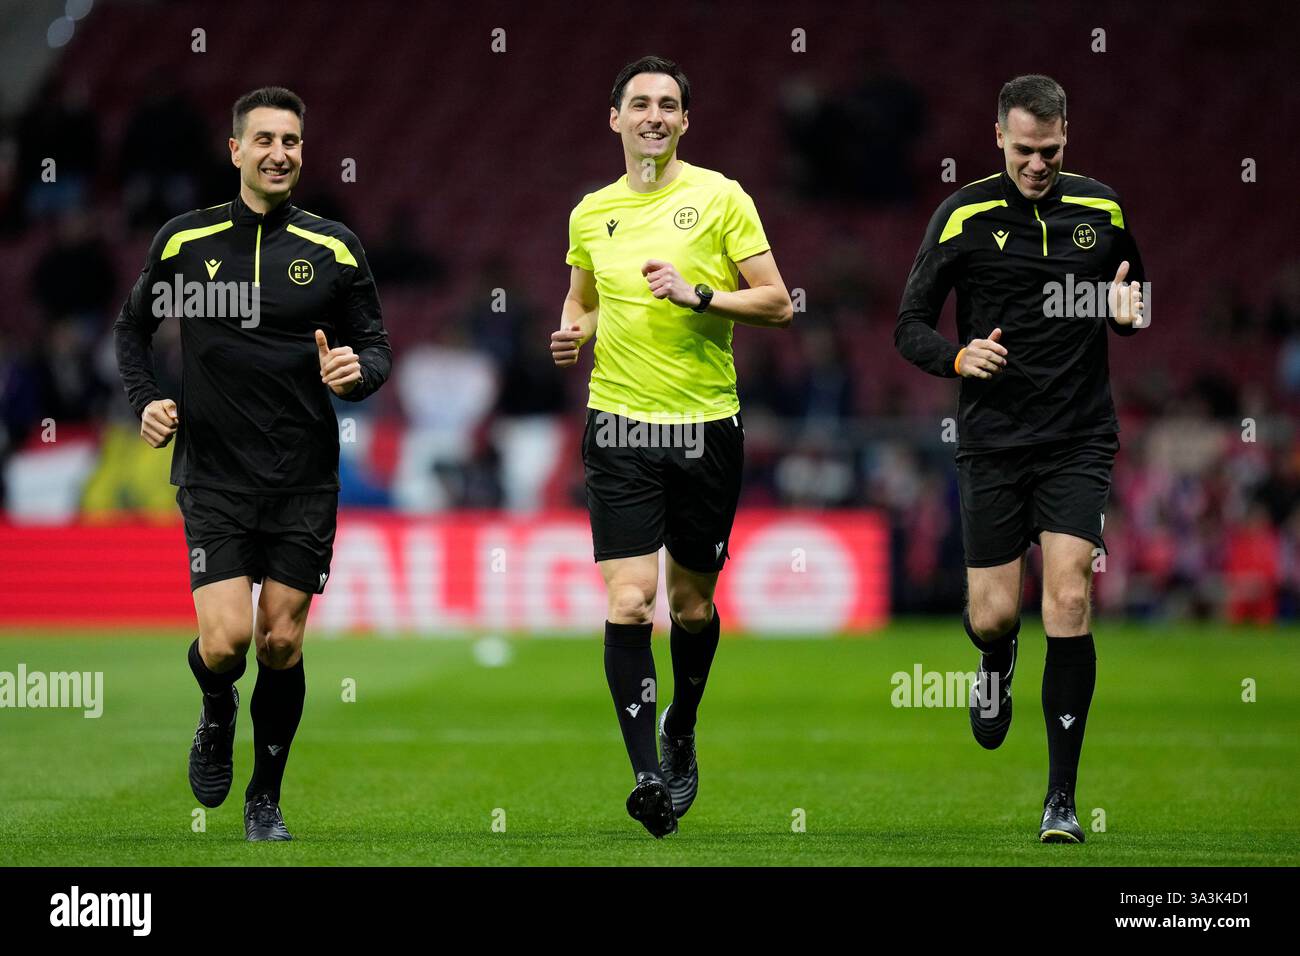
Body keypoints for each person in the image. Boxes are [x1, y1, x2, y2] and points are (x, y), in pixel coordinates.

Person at [113, 86, 391, 841]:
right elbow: (131, 331)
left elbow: (376, 348)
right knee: (227, 642)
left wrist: (356, 376)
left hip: (304, 480)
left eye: (292, 141)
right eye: (264, 139)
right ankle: (214, 706)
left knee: (282, 642)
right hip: (214, 475)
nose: (279, 153)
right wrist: (146, 398)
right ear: (236, 150)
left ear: (303, 152)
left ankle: (265, 799)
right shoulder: (184, 242)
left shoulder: (334, 248)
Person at [894, 74, 1147, 843]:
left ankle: (1061, 801)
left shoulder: (1100, 208)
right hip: (994, 443)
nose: (1037, 165)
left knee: (1069, 600)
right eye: (1024, 151)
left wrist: (1130, 315)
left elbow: (1134, 291)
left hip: (1078, 438)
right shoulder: (963, 214)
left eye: (1051, 151)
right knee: (993, 613)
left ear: (1068, 138)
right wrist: (956, 358)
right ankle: (994, 660)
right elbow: (908, 324)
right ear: (997, 137)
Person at [552, 56, 793, 838]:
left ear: (685, 121)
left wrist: (700, 295)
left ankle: (681, 725)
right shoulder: (592, 213)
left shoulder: (721, 199)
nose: (654, 115)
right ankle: (647, 777)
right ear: (614, 117)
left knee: (692, 605)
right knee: (631, 599)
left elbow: (778, 303)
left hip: (704, 430)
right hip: (617, 426)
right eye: (640, 104)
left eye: (668, 105)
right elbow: (583, 295)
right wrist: (573, 331)